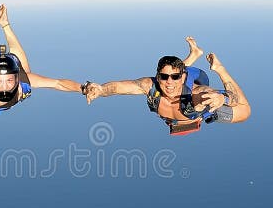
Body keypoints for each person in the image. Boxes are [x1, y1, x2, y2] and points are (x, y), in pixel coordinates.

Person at [84, 37, 251, 135]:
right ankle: (194, 55)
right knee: (171, 75)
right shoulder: (149, 85)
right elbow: (116, 88)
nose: (169, 82)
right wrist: (99, 90)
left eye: (175, 77)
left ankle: (219, 68)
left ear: (183, 77)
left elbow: (231, 99)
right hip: (182, 84)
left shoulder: (197, 96)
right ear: (158, 76)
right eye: (163, 77)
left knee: (245, 112)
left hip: (198, 84)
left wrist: (222, 96)